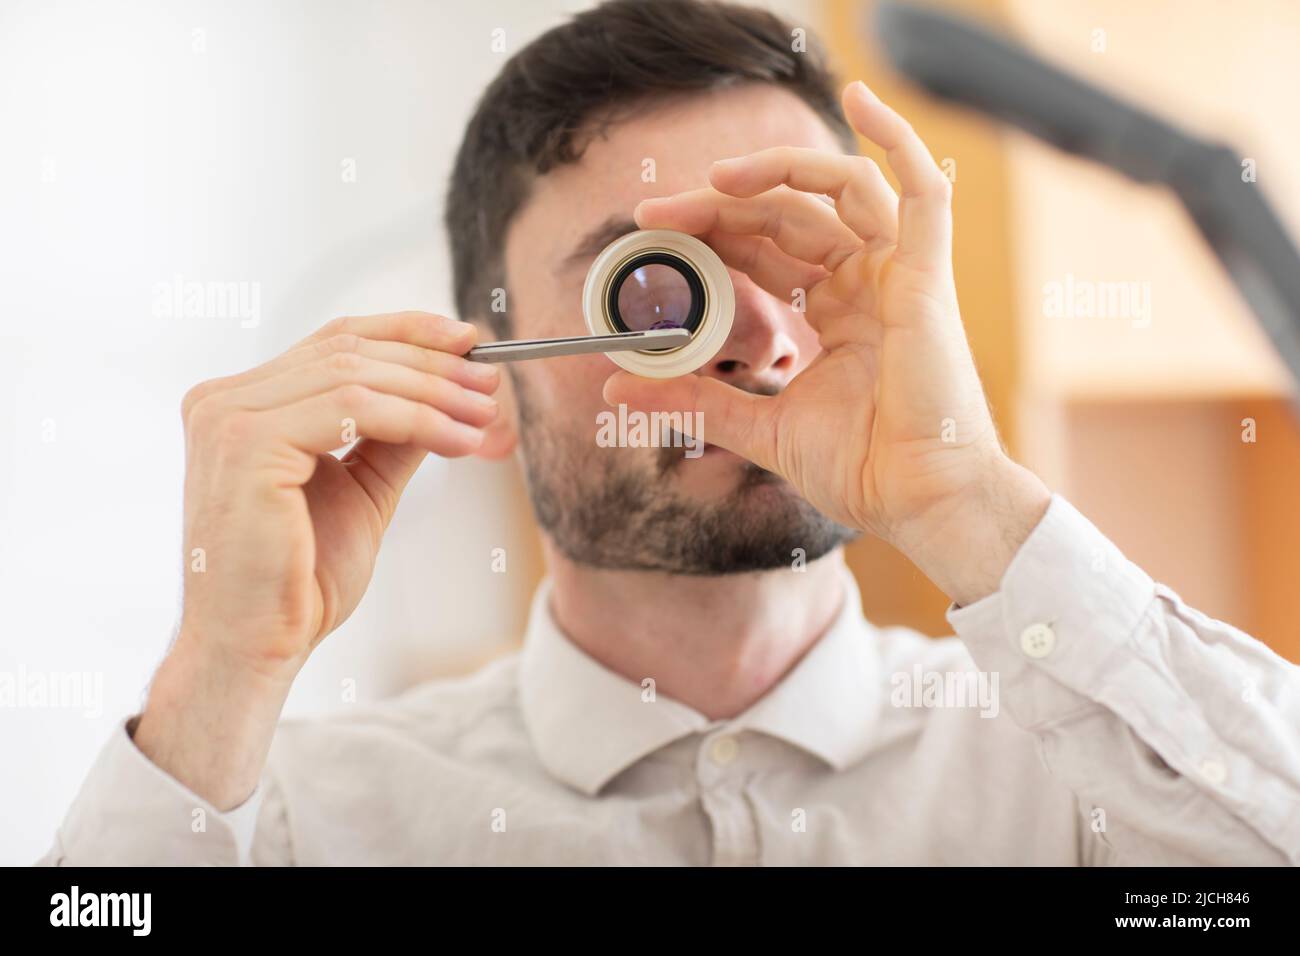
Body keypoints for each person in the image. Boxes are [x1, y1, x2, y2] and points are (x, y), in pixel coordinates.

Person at [41, 0, 1299, 865]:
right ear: (482, 364)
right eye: (654, 290)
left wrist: (967, 496)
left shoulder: (1087, 771)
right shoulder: (307, 819)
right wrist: (218, 673)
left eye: (802, 260)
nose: (752, 338)